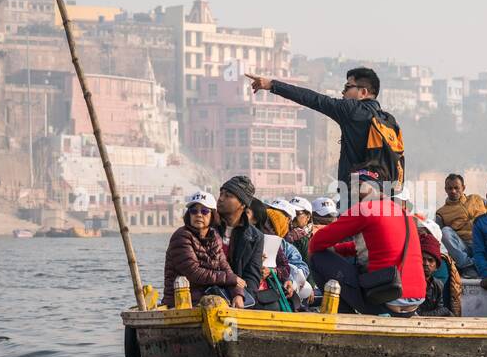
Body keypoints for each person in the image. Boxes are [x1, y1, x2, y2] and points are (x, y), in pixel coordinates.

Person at [246, 68, 403, 204]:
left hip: (355, 195)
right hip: (383, 194)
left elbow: (315, 100)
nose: (343, 92)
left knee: (349, 237)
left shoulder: (352, 110)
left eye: (347, 87)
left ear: (363, 92)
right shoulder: (389, 120)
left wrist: (272, 84)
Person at [307, 168, 425, 315]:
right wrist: (338, 249)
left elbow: (316, 242)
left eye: (359, 187)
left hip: (385, 300)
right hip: (414, 304)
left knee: (317, 257)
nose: (355, 193)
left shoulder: (366, 209)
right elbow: (376, 247)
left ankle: (344, 317)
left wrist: (330, 251)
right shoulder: (403, 213)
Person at [162, 191, 245, 307]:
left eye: (205, 211)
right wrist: (230, 278)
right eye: (194, 211)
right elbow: (194, 273)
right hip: (182, 303)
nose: (199, 215)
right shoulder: (181, 237)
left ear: (212, 215)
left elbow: (226, 268)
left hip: (209, 300)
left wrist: (238, 294)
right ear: (189, 215)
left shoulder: (214, 237)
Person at [216, 175, 264, 307]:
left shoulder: (256, 237)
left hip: (239, 297)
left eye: (228, 196)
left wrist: (240, 296)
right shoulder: (207, 228)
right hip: (209, 291)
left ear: (243, 204)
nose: (220, 199)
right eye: (221, 194)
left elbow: (252, 276)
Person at [435, 173, 486, 274]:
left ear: (463, 188)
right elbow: (437, 236)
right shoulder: (441, 212)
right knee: (444, 231)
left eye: (456, 188)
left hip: (482, 243)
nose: (453, 191)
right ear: (445, 189)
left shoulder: (477, 199)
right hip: (463, 247)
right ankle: (468, 266)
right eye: (450, 188)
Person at [417, 229, 459, 316]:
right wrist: (444, 311)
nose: (426, 264)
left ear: (436, 267)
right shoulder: (411, 283)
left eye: (430, 261)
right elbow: (416, 313)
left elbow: (439, 308)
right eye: (423, 259)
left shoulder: (438, 284)